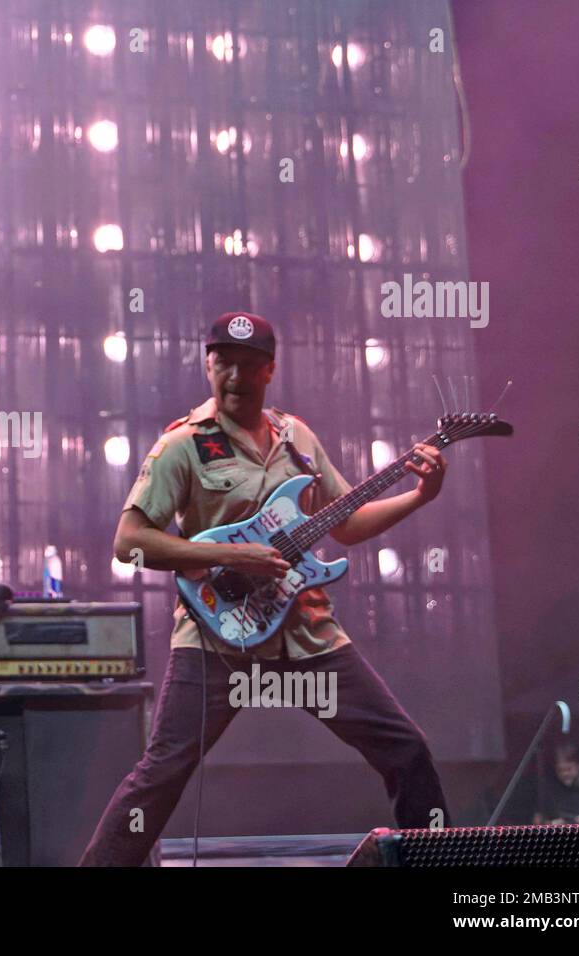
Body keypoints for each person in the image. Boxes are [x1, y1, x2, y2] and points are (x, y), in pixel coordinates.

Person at [80, 311, 450, 866]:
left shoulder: (297, 437)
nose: (234, 375)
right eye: (223, 361)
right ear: (208, 364)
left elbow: (345, 523)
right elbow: (129, 542)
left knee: (406, 748)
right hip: (217, 637)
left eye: (248, 364)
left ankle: (442, 875)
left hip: (307, 631)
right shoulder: (184, 445)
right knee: (162, 772)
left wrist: (421, 496)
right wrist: (231, 555)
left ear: (270, 369)